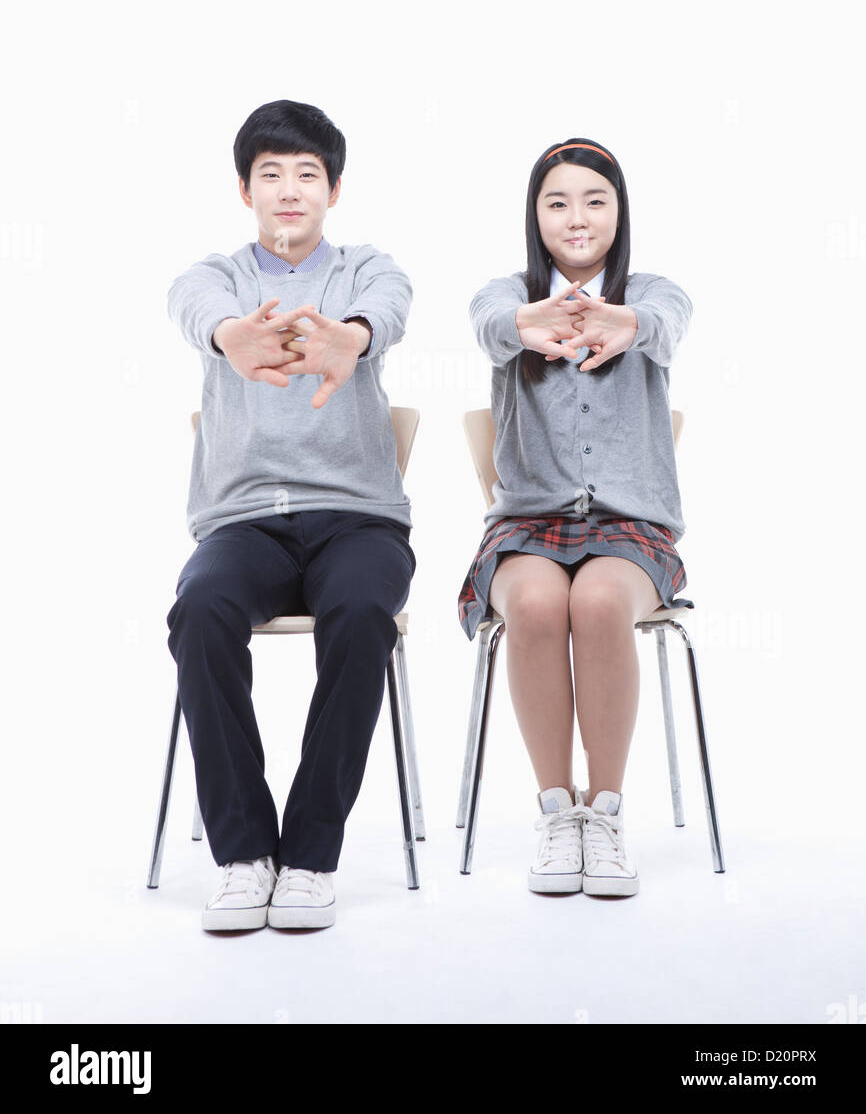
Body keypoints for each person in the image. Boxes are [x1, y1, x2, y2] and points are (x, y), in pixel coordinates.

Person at [166, 99, 415, 933]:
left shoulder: (367, 270)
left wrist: (352, 335)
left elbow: (389, 309)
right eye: (270, 174)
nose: (289, 190)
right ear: (245, 190)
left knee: (358, 610)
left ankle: (309, 856)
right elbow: (194, 306)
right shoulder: (218, 278)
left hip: (357, 520)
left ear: (333, 190)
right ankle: (243, 857)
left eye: (307, 174)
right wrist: (231, 334)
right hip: (244, 525)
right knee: (199, 609)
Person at [458, 137, 693, 898]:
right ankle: (558, 812)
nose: (577, 216)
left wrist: (626, 324)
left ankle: (607, 812)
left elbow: (664, 321)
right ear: (535, 215)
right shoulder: (507, 296)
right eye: (557, 201)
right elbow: (494, 324)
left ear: (619, 212)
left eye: (595, 199)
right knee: (534, 602)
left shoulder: (652, 294)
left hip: (630, 528)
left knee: (595, 602)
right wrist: (529, 322)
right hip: (529, 523)